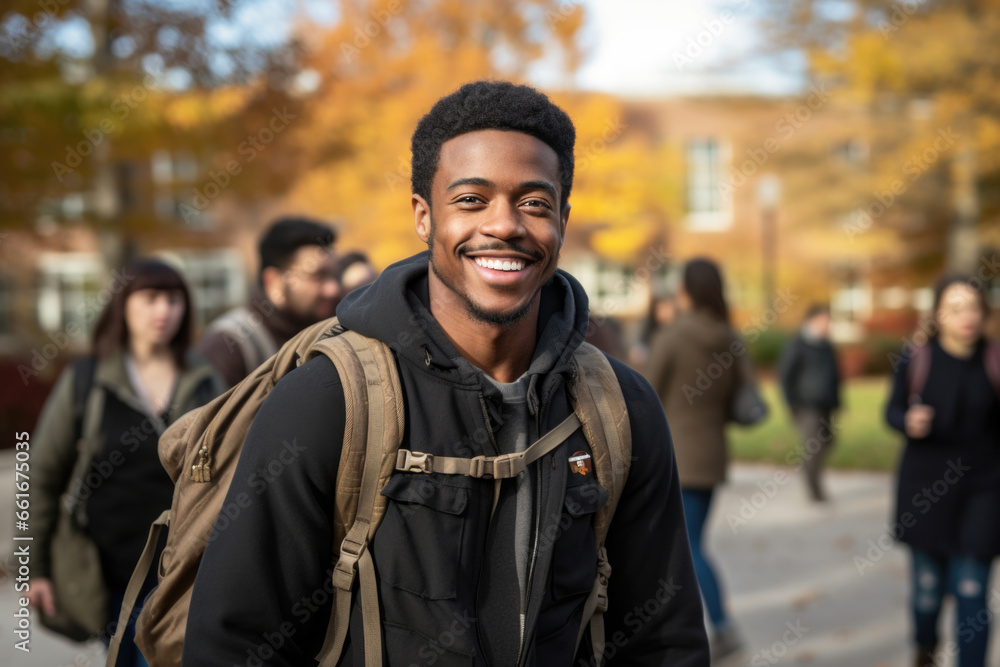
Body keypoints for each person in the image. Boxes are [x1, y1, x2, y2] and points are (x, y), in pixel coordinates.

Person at [183, 81, 709, 665]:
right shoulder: (326, 401)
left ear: (563, 219)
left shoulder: (620, 408)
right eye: (472, 200)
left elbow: (665, 642)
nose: (504, 225)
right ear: (424, 217)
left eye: (535, 203)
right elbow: (234, 645)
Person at [28, 258, 224, 666]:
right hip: (108, 571)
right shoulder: (87, 379)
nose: (163, 311)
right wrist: (35, 568)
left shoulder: (204, 378)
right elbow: (42, 477)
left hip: (185, 572)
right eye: (150, 298)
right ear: (123, 305)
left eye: (174, 300)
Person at [885, 274, 1000, 667]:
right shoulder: (916, 358)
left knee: (971, 589)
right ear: (937, 315)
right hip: (925, 490)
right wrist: (907, 421)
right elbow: (891, 410)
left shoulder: (994, 359)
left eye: (973, 307)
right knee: (928, 593)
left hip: (984, 490)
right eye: (955, 308)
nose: (967, 316)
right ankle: (925, 648)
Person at [642, 258, 745, 662]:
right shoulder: (730, 337)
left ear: (686, 291)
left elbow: (644, 391)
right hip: (712, 455)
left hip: (674, 456)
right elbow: (738, 402)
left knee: (685, 548)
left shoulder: (672, 336)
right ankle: (709, 628)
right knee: (693, 543)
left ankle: (719, 627)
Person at [197, 217, 340, 387]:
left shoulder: (332, 332)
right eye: (318, 276)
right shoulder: (228, 346)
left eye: (334, 275)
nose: (333, 289)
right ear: (274, 281)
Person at [778, 303, 841, 502]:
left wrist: (837, 401)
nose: (828, 324)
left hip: (827, 405)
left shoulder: (827, 345)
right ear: (813, 320)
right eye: (825, 320)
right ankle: (815, 490)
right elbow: (785, 376)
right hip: (806, 406)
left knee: (828, 443)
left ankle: (813, 479)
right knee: (814, 448)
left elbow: (834, 375)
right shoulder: (797, 345)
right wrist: (792, 404)